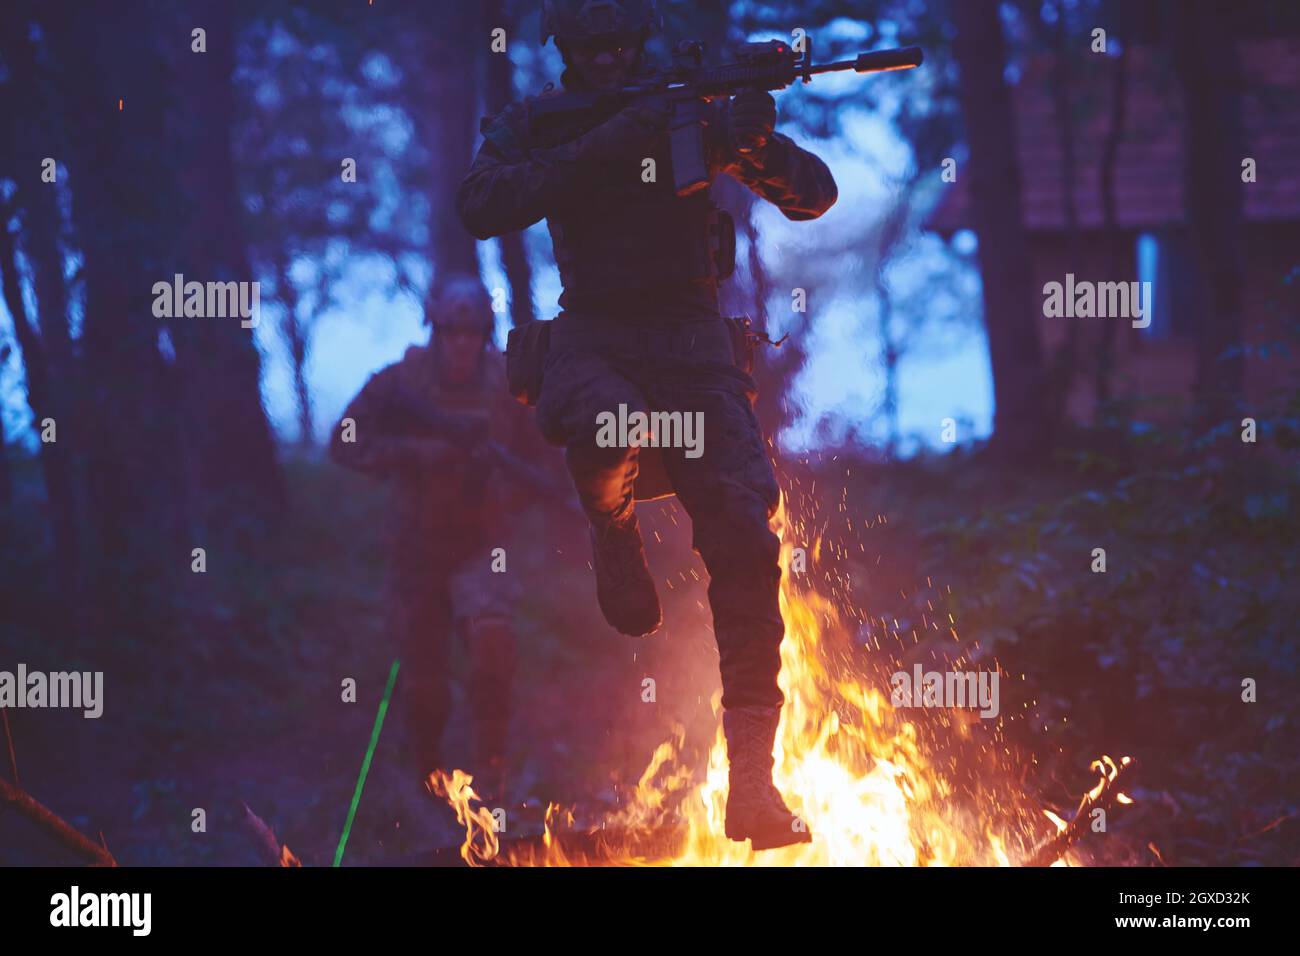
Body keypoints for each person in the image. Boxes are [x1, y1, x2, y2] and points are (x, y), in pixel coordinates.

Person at [455, 0, 838, 850]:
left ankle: (754, 786)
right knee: (606, 425)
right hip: (596, 333)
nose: (607, 57)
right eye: (591, 46)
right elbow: (480, 203)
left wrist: (751, 145)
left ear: (641, 39)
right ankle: (613, 528)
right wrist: (609, 140)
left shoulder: (688, 108)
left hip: (694, 341)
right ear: (566, 48)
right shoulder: (539, 123)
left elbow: (815, 196)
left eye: (621, 42)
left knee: (744, 536)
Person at [329, 275, 536, 803]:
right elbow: (345, 441)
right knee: (426, 685)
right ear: (436, 331)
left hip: (482, 548)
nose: (462, 344)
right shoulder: (400, 382)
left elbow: (543, 451)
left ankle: (492, 778)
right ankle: (429, 782)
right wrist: (415, 453)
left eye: (473, 333)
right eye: (451, 332)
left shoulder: (509, 385)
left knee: (493, 649)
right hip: (416, 552)